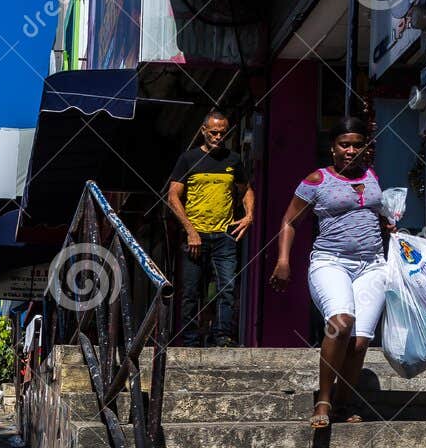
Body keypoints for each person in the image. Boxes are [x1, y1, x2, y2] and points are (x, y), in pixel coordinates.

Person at [270, 116, 392, 429]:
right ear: (333, 147)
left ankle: (343, 402)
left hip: (373, 264)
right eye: (344, 145)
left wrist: (387, 223)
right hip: (331, 261)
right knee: (341, 322)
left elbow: (373, 213)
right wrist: (283, 261)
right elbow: (289, 221)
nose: (351, 150)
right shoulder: (316, 180)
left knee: (360, 343)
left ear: (366, 148)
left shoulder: (372, 175)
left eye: (357, 145)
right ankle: (323, 399)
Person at [166, 109, 254, 346]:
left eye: (222, 133)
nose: (217, 137)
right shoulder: (188, 159)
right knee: (191, 292)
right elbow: (173, 196)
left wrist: (249, 216)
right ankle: (190, 340)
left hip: (224, 234)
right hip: (196, 235)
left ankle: (223, 336)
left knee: (226, 288)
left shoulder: (233, 160)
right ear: (204, 131)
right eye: (213, 132)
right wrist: (190, 231)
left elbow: (245, 189)